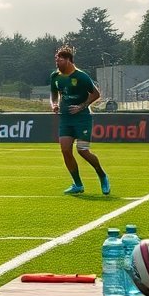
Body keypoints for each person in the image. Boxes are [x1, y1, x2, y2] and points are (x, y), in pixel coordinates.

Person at [49, 45, 110, 196]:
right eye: (56, 60)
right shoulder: (55, 77)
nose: (57, 63)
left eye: (60, 60)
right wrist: (54, 104)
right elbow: (54, 94)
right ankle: (78, 185)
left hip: (82, 119)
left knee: (82, 150)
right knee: (65, 150)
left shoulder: (81, 76)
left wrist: (81, 106)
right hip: (65, 119)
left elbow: (96, 94)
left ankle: (102, 175)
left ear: (68, 60)